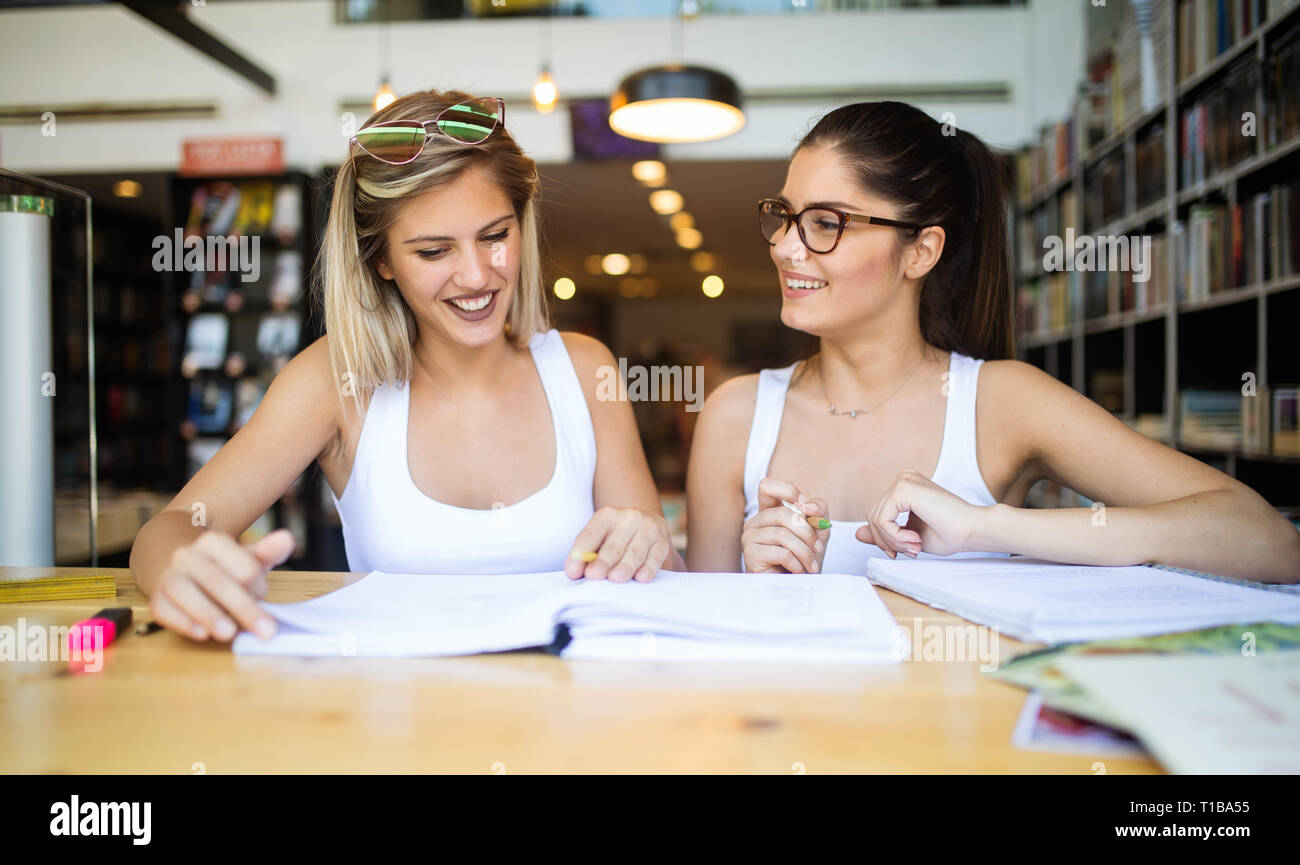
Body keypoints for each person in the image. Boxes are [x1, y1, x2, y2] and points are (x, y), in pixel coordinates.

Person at [131, 89, 682, 643]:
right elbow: (170, 529)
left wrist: (651, 542)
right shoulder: (334, 381)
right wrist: (185, 570)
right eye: (434, 251)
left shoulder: (585, 371)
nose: (475, 276)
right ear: (381, 261)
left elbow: (666, 585)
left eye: (495, 236)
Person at [686, 100, 1300, 584]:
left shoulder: (1002, 402)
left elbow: (1267, 540)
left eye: (826, 223)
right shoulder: (735, 415)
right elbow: (699, 651)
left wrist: (989, 527)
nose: (785, 248)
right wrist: (757, 587)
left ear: (921, 251)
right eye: (786, 216)